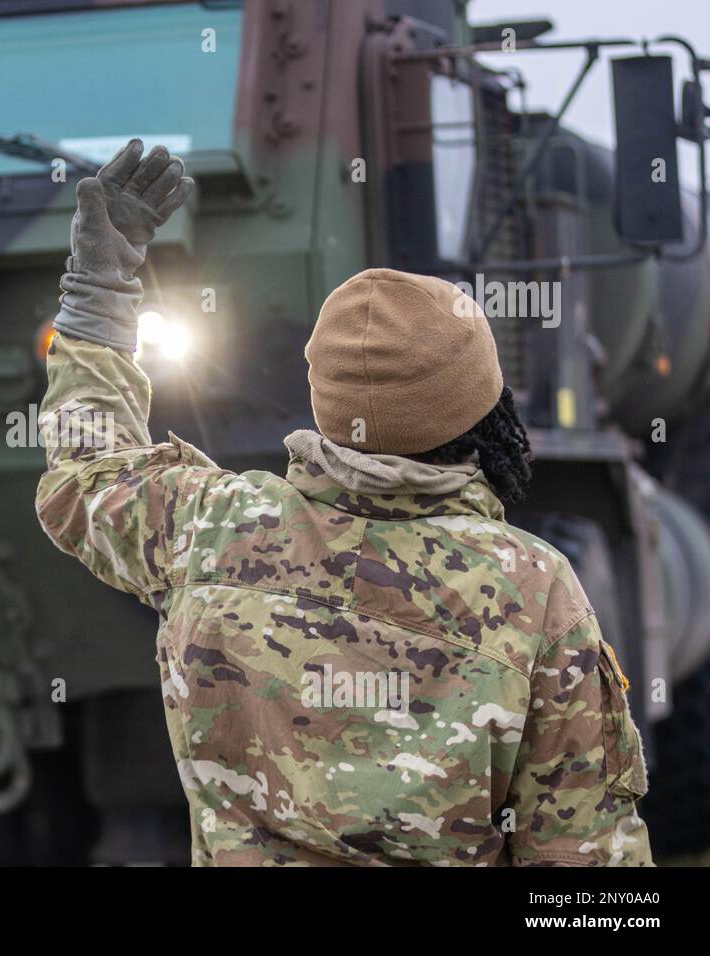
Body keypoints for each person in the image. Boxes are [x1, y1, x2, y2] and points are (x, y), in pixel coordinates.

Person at [35, 139, 652, 866]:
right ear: (485, 414)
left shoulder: (211, 529)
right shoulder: (531, 586)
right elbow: (581, 857)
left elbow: (88, 468)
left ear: (326, 402)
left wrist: (99, 291)